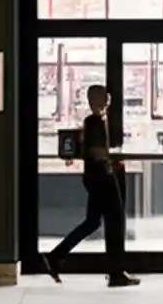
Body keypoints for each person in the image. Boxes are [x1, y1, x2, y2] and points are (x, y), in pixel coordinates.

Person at [41, 84, 140, 288]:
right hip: (103, 178)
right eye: (105, 96)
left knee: (92, 222)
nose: (108, 99)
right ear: (97, 100)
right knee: (115, 222)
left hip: (93, 177)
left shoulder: (92, 121)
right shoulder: (94, 122)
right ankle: (115, 273)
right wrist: (113, 158)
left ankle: (56, 256)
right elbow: (96, 152)